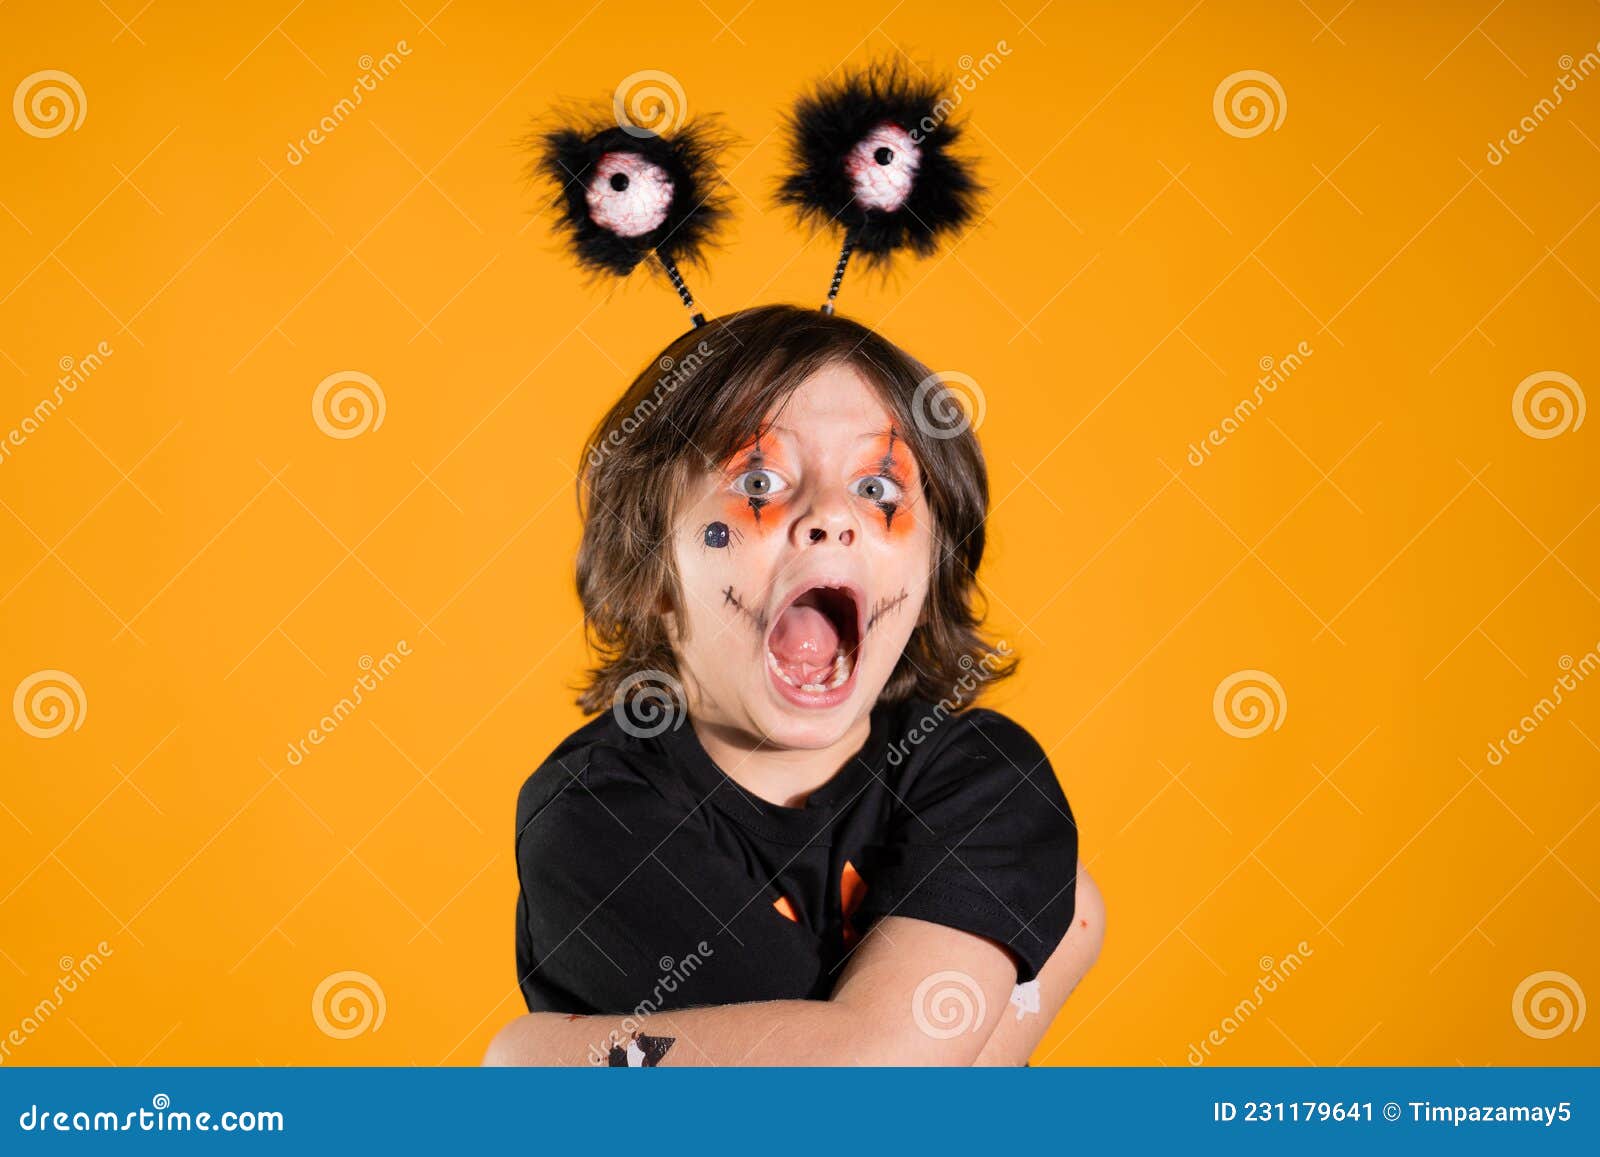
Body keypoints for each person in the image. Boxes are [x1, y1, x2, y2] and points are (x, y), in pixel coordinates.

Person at [483, 304, 1104, 1066]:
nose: (832, 515)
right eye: (759, 479)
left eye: (877, 488)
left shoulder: (984, 774)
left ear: (930, 571)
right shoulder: (594, 815)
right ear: (655, 571)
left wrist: (548, 1060)